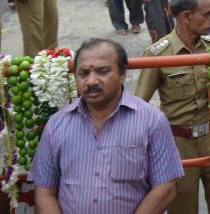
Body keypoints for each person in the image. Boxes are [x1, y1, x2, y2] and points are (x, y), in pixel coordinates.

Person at [29, 39, 184, 214]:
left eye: (102, 71)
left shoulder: (152, 121)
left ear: (123, 74)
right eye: (83, 73)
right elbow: (44, 192)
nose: (91, 81)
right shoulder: (57, 124)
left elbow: (165, 188)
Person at [135, 0, 210, 214]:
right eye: (207, 14)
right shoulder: (157, 55)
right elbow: (138, 105)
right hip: (178, 144)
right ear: (186, 17)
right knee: (182, 203)